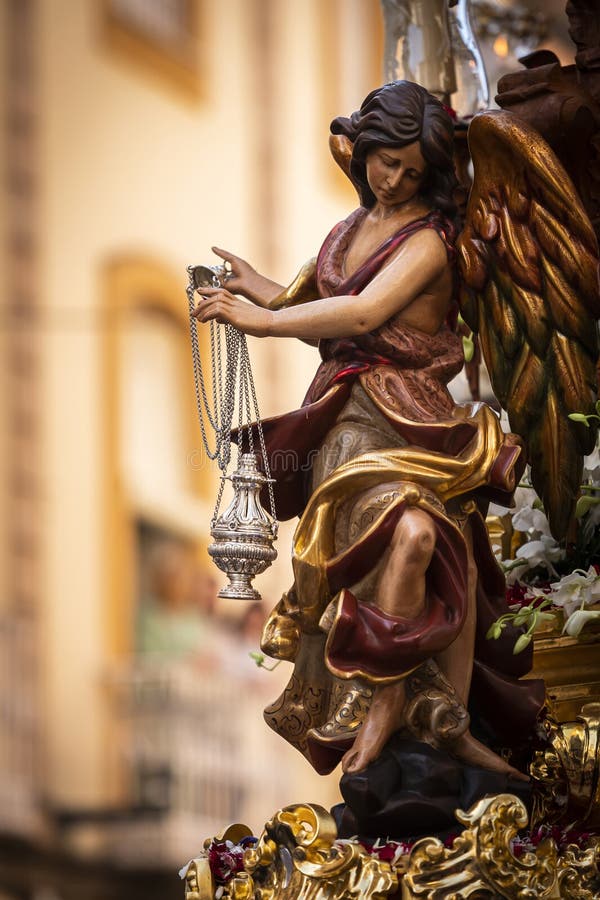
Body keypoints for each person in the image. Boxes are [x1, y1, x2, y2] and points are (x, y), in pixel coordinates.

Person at [193, 82, 543, 792]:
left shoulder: (433, 243)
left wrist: (261, 324)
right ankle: (390, 703)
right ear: (365, 150)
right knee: (394, 544)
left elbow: (360, 312)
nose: (395, 180)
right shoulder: (350, 227)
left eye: (413, 172)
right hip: (346, 421)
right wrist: (262, 288)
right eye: (386, 162)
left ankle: (398, 699)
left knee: (430, 545)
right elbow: (323, 289)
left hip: (416, 419)